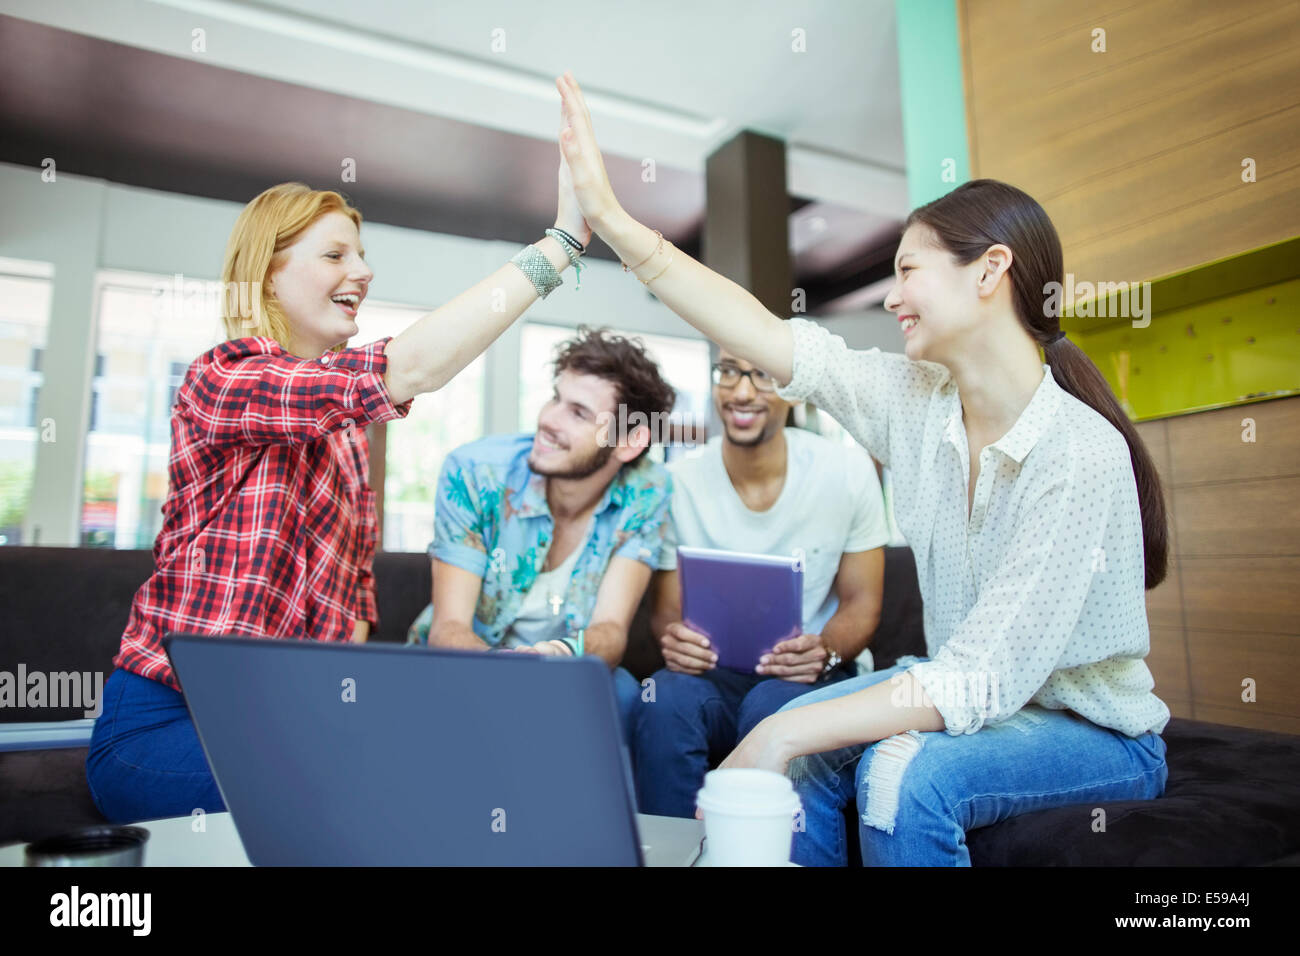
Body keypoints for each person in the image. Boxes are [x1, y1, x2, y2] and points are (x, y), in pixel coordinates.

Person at [553, 71, 1171, 866]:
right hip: (971, 693)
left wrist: (780, 726)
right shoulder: (914, 400)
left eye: (909, 270)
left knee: (901, 772)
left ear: (990, 271)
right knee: (812, 753)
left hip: (1094, 735)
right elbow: (762, 331)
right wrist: (612, 221)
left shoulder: (1078, 453)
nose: (891, 297)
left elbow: (980, 682)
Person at [88, 147, 593, 823]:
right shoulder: (223, 380)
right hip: (163, 730)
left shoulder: (348, 437)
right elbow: (405, 369)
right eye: (335, 256)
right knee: (359, 789)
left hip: (279, 728)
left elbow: (349, 623)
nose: (363, 270)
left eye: (360, 256)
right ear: (267, 275)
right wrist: (561, 244)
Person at [634, 346, 890, 816]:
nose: (742, 391)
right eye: (728, 372)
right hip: (717, 677)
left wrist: (825, 649)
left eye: (762, 375)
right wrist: (675, 642)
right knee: (664, 698)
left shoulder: (847, 471)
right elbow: (667, 614)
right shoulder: (678, 481)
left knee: (774, 706)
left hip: (816, 672)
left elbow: (862, 604)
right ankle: (673, 852)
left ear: (793, 391)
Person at [405, 326, 675, 748]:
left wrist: (559, 656)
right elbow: (449, 629)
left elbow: (610, 629)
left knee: (621, 690)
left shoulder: (648, 488)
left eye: (579, 413)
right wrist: (508, 677)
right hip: (464, 663)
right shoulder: (474, 472)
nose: (547, 420)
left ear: (629, 442)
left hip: (564, 670)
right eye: (555, 398)